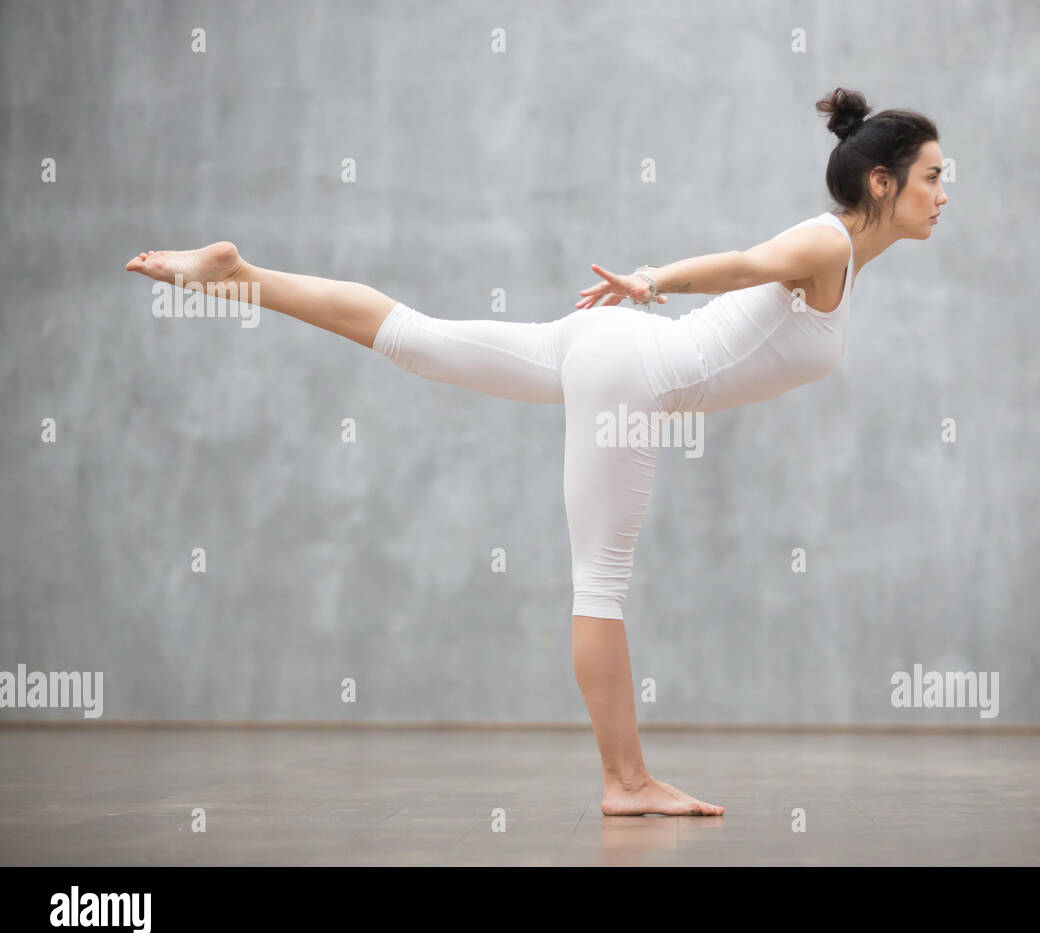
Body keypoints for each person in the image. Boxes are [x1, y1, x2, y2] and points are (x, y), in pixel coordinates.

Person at [124, 87, 946, 816]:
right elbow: (742, 266)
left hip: (612, 351)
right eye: (933, 178)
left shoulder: (840, 257)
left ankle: (235, 276)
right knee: (601, 581)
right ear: (883, 182)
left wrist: (644, 295)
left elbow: (747, 275)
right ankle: (625, 783)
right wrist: (652, 279)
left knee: (419, 336)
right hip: (631, 367)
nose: (944, 195)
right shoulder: (830, 247)